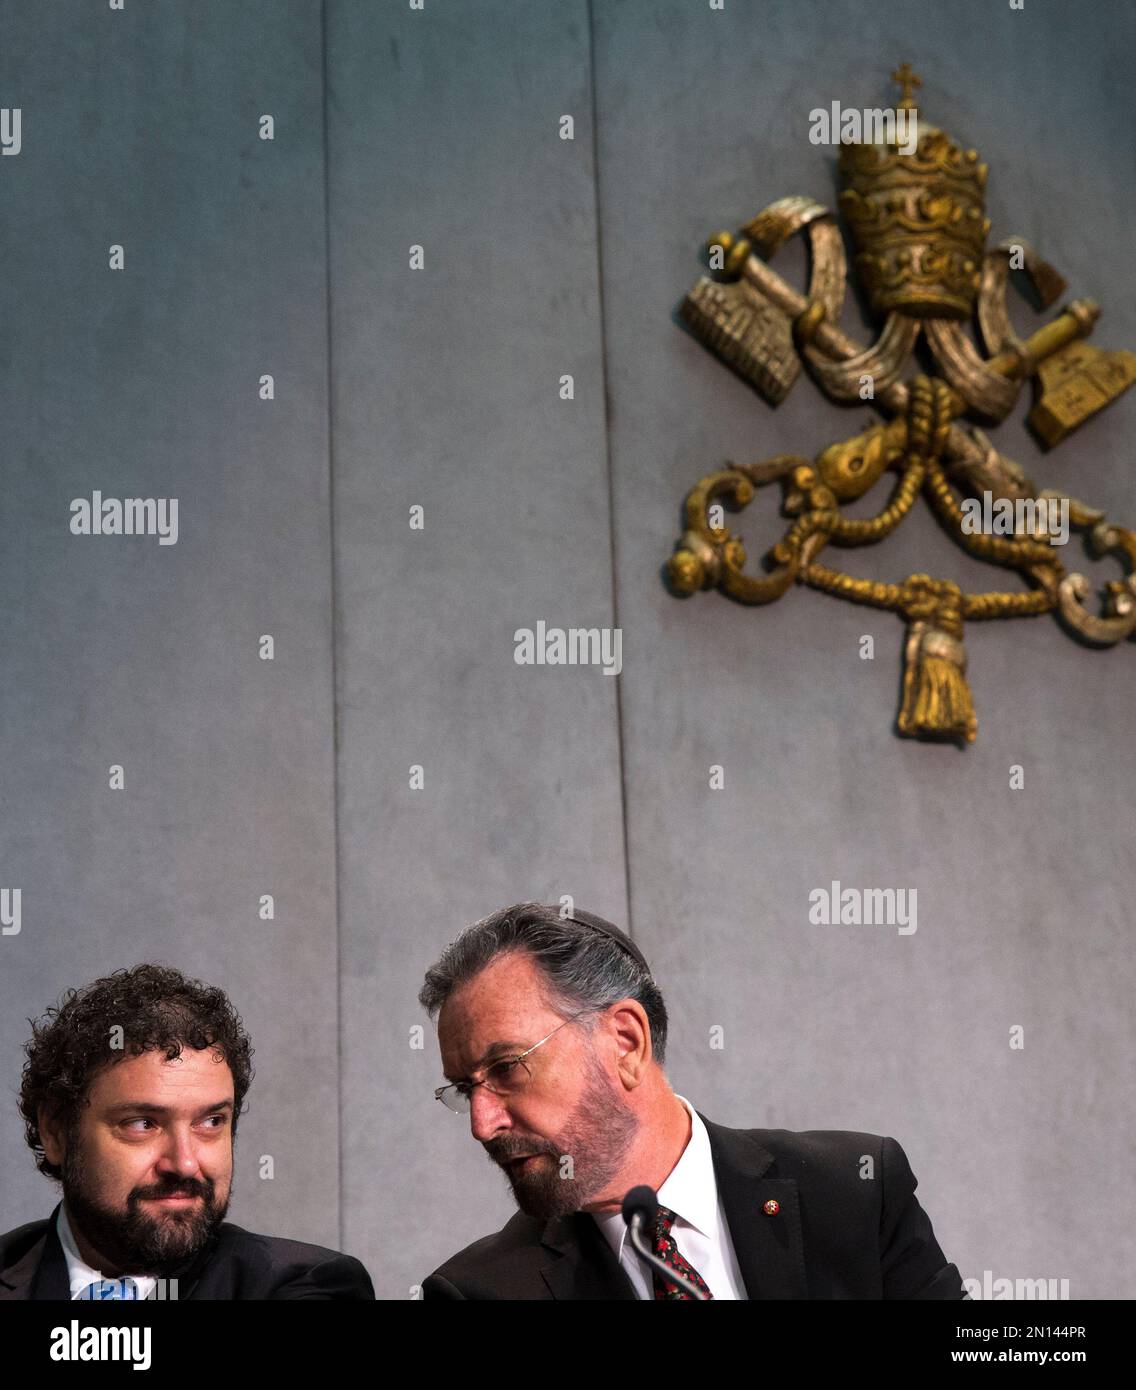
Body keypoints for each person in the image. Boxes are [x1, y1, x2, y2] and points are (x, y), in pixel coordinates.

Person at [418, 902, 966, 1300]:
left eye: (508, 1068)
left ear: (625, 1042)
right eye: (466, 1088)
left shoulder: (855, 1190)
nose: (482, 1124)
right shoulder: (478, 1294)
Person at [1, 964, 373, 1300]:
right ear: (55, 1132)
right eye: (142, 1124)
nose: (184, 1163)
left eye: (210, 1123)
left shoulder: (305, 1285)